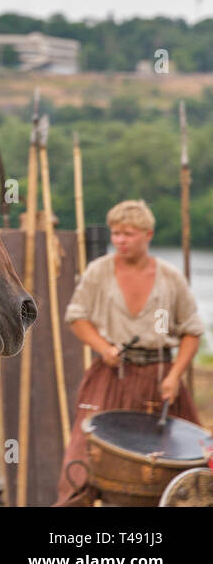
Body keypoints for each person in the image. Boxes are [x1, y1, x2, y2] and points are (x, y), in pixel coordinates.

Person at [55, 199, 205, 505]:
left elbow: (192, 331)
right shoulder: (98, 272)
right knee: (82, 460)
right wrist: (103, 347)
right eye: (116, 233)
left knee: (189, 465)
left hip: (160, 379)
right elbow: (77, 316)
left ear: (148, 234)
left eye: (128, 233)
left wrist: (175, 375)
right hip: (110, 376)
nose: (120, 240)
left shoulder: (169, 277)